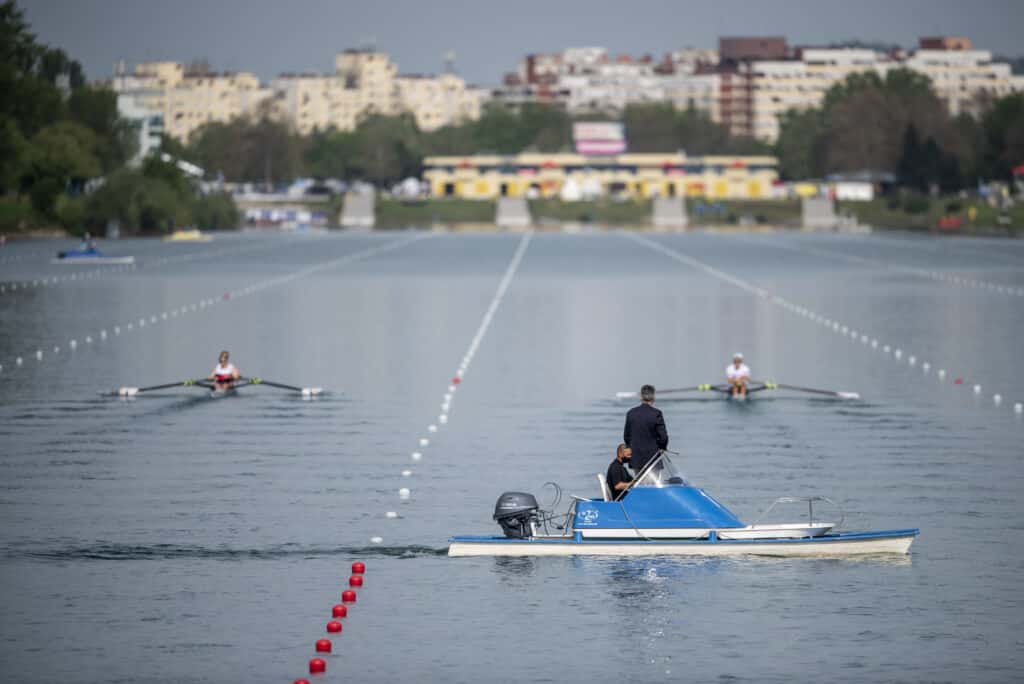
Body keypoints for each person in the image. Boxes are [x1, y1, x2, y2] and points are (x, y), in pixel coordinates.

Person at [623, 384, 668, 475]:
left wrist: (630, 448)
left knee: (639, 481)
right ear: (653, 397)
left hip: (636, 457)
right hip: (653, 457)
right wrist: (662, 447)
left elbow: (626, 436)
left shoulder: (631, 413)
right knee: (653, 482)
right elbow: (663, 437)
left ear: (641, 396)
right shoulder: (656, 414)